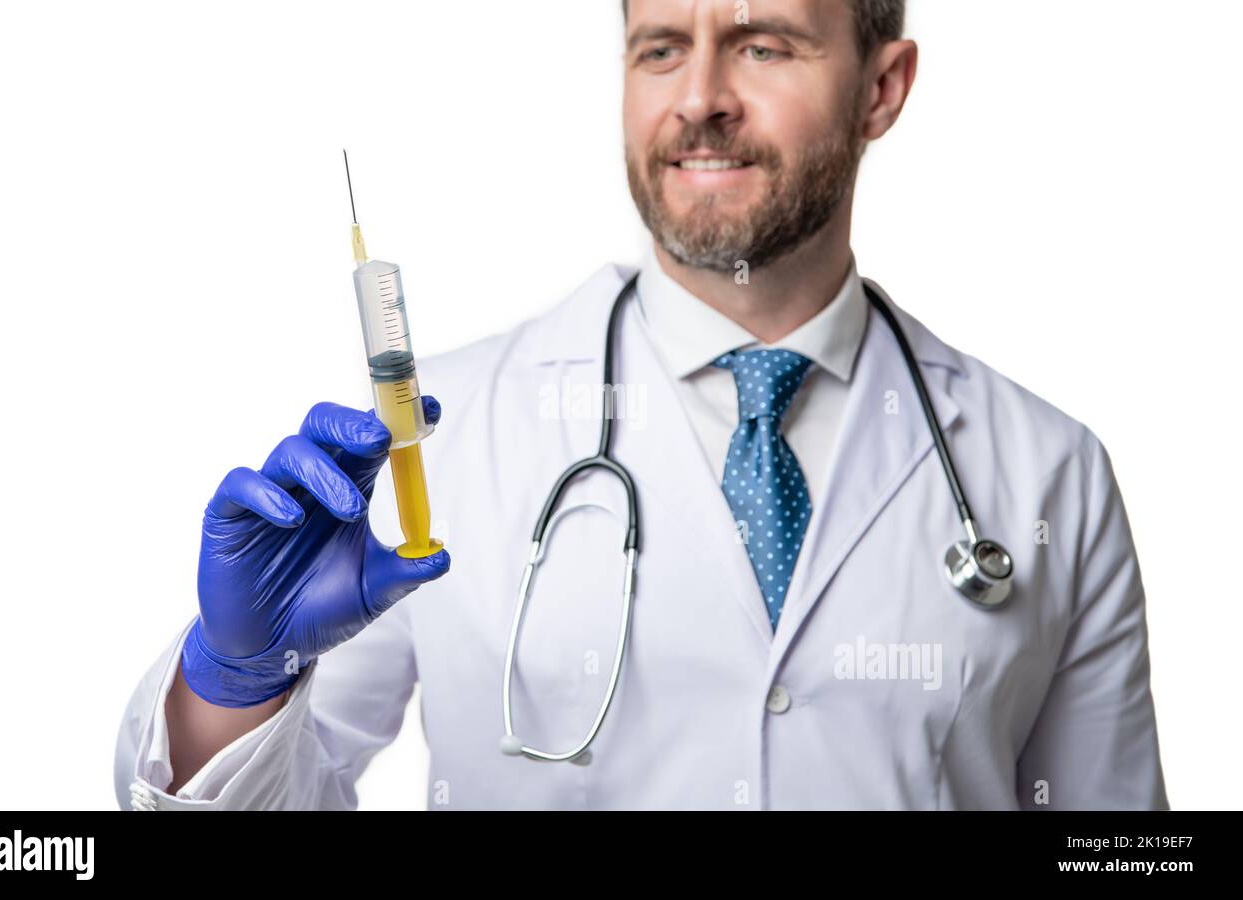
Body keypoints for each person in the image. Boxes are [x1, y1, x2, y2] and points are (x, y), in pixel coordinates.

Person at [115, 0, 1168, 810]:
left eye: (761, 44)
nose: (698, 96)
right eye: (659, 46)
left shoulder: (1047, 474)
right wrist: (237, 682)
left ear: (881, 88)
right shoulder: (442, 437)